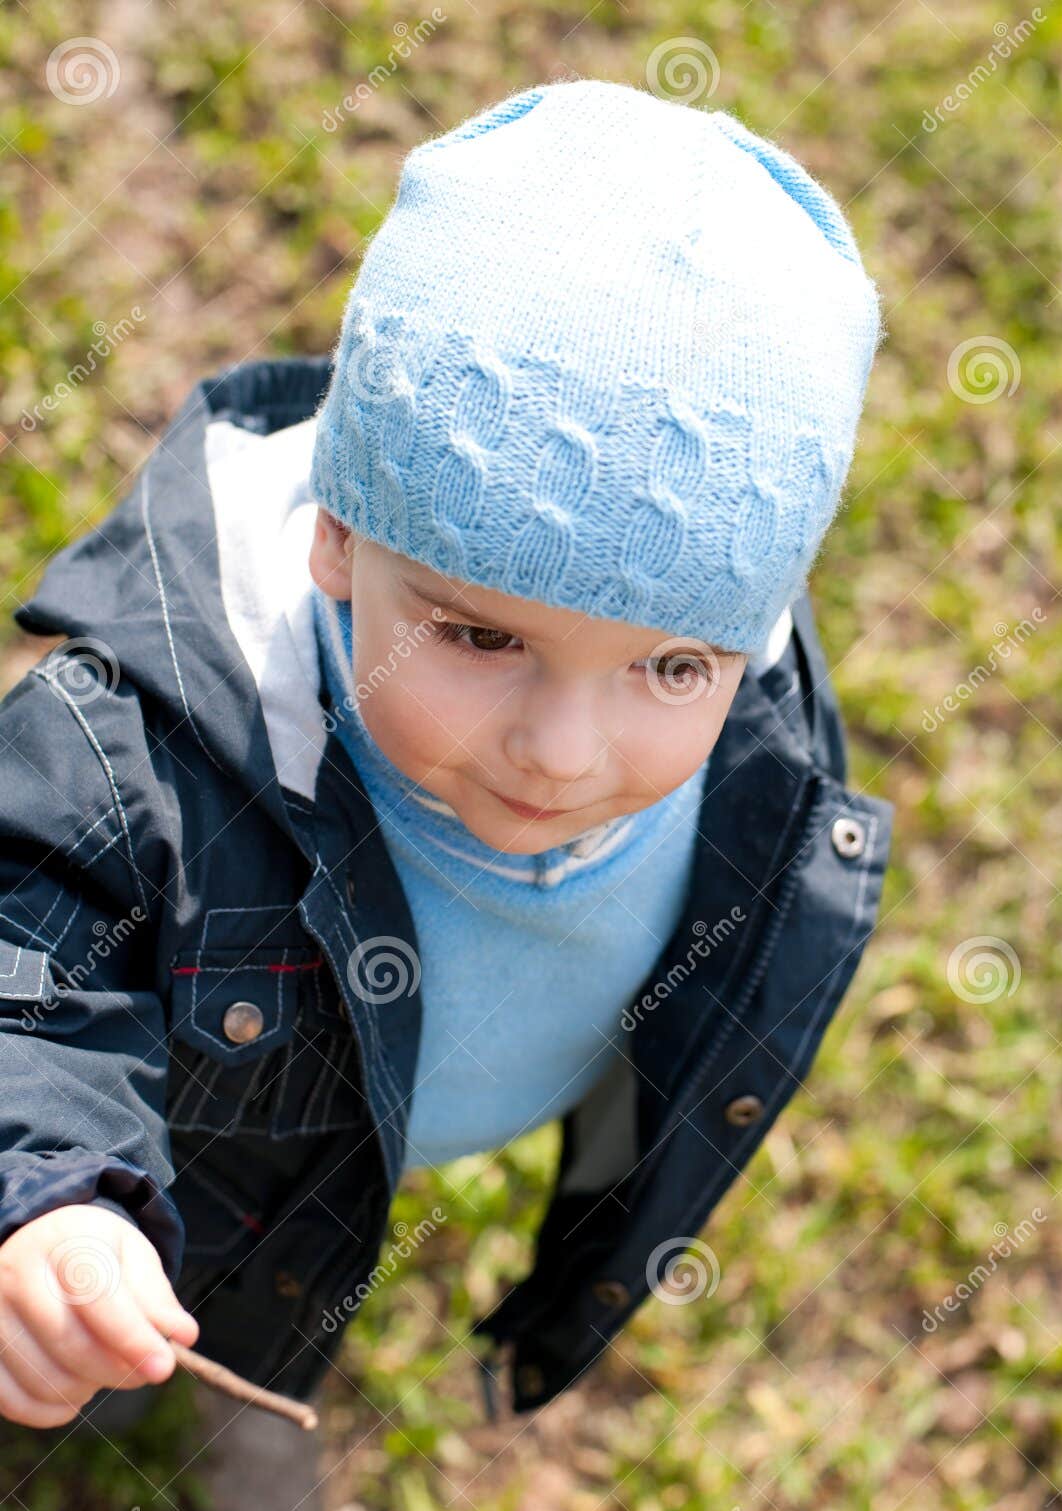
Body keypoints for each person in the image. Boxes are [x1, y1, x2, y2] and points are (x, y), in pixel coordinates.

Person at [0, 78, 893, 1437]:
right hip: (168, 1237)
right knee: (90, 1376)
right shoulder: (136, 755)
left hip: (364, 1138)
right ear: (340, 539)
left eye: (669, 668)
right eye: (481, 635)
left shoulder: (759, 726)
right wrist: (51, 1196)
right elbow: (23, 980)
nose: (563, 750)